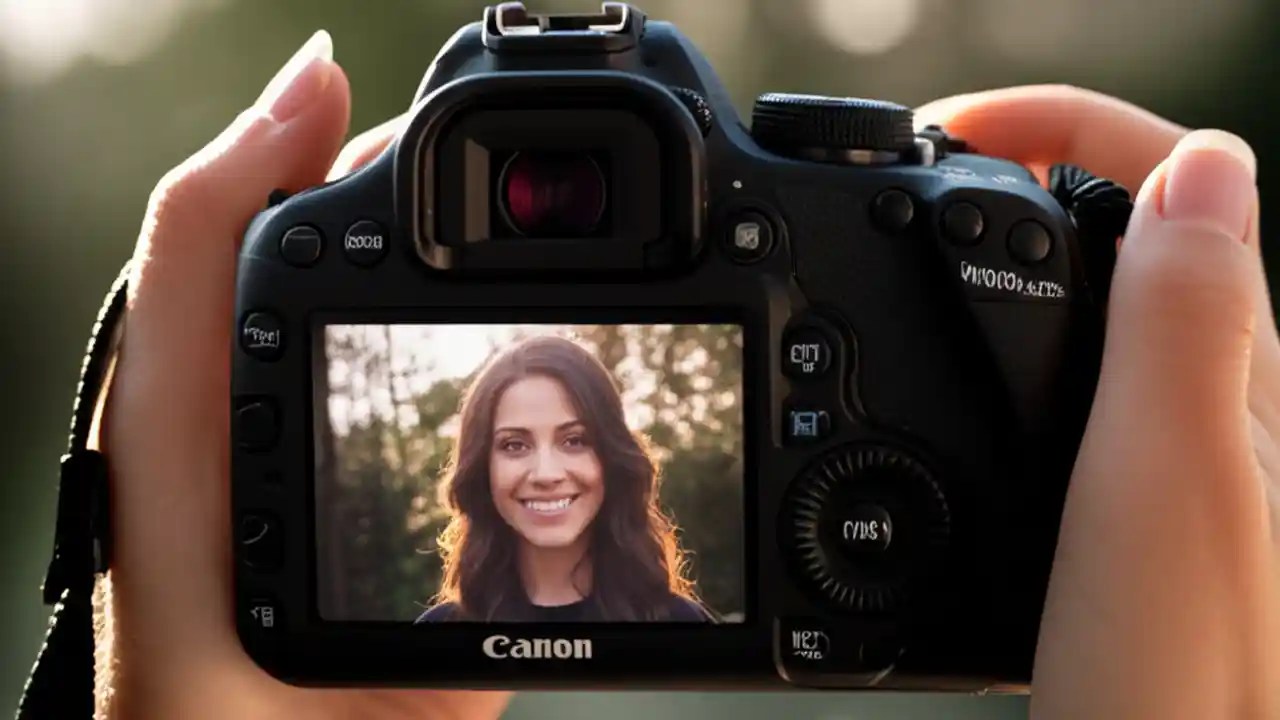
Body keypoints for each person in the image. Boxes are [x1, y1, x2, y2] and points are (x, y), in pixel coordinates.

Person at [90, 30, 1277, 720]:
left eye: (567, 438)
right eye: (511, 441)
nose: (542, 469)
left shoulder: (680, 617)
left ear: (613, 457)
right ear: (474, 468)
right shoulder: (429, 626)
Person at [415, 335, 713, 623]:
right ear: (482, 468)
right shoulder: (439, 634)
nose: (546, 474)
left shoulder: (680, 625)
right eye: (514, 445)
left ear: (611, 458)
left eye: (574, 440)